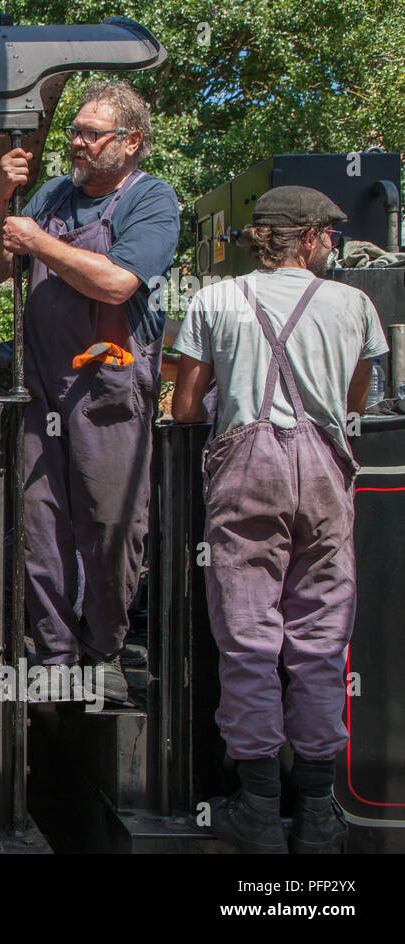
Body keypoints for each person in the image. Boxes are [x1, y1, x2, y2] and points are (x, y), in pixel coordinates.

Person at [171, 186, 388, 853]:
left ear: (261, 240)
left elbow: (184, 407)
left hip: (244, 474)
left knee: (249, 639)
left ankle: (259, 808)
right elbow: (355, 400)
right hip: (324, 474)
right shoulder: (354, 304)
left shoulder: (215, 300)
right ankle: (319, 810)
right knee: (322, 639)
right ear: (316, 237)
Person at [0, 79, 180, 701]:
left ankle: (105, 656)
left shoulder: (152, 202)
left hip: (109, 389)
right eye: (75, 132)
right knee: (42, 524)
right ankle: (57, 656)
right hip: (41, 386)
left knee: (112, 524)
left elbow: (118, 284)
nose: (77, 143)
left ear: (133, 141)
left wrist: (39, 240)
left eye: (92, 133)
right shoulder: (49, 196)